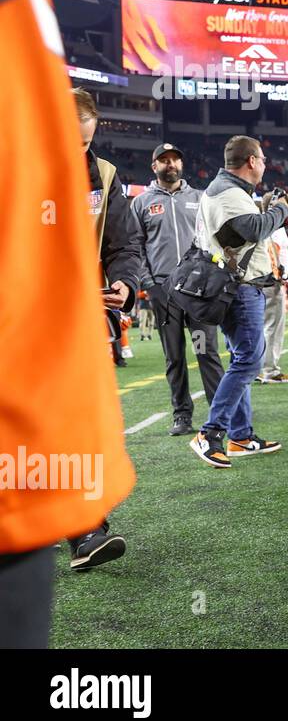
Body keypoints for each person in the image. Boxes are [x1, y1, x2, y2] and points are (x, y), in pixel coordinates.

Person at [0, 0, 286, 645]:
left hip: (41, 407)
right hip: (196, 290)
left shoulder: (112, 178)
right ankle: (214, 432)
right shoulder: (219, 192)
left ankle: (202, 438)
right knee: (225, 360)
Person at [71, 88, 145, 569]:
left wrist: (124, 281)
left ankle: (86, 531)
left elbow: (124, 240)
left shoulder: (104, 177)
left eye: (86, 131)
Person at [190, 135, 288, 467]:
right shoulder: (227, 191)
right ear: (251, 161)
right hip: (240, 288)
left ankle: (241, 435)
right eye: (262, 159)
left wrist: (266, 207)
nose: (264, 165)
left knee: (242, 358)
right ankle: (210, 433)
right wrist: (279, 209)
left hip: (237, 286)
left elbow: (238, 230)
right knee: (249, 360)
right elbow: (254, 228)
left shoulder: (228, 191)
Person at [131, 141, 227, 434]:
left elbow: (215, 239)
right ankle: (182, 415)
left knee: (206, 351)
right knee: (174, 357)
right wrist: (150, 285)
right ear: (154, 166)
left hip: (197, 293)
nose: (170, 164)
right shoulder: (142, 203)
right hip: (164, 292)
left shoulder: (200, 198)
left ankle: (222, 415)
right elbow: (135, 248)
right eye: (164, 160)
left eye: (174, 160)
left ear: (181, 165)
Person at [258, 201, 288, 384]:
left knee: (261, 327)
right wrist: (278, 277)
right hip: (272, 282)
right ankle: (270, 370)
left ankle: (258, 369)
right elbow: (273, 252)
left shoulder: (264, 224)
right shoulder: (276, 229)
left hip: (262, 283)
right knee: (273, 328)